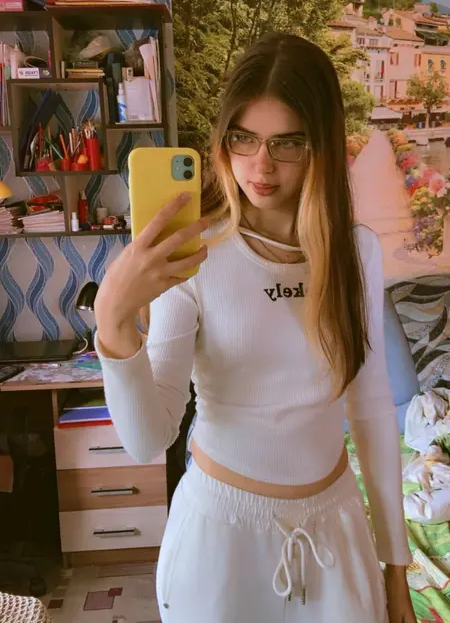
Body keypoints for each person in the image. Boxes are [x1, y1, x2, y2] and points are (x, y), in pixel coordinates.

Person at [93, 32, 415, 622]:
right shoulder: (195, 254)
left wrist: (396, 567)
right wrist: (113, 321)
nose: (260, 166)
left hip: (335, 532)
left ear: (320, 147)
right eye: (243, 138)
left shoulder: (355, 252)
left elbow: (370, 408)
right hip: (221, 541)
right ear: (223, 140)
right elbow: (147, 438)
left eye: (286, 143)